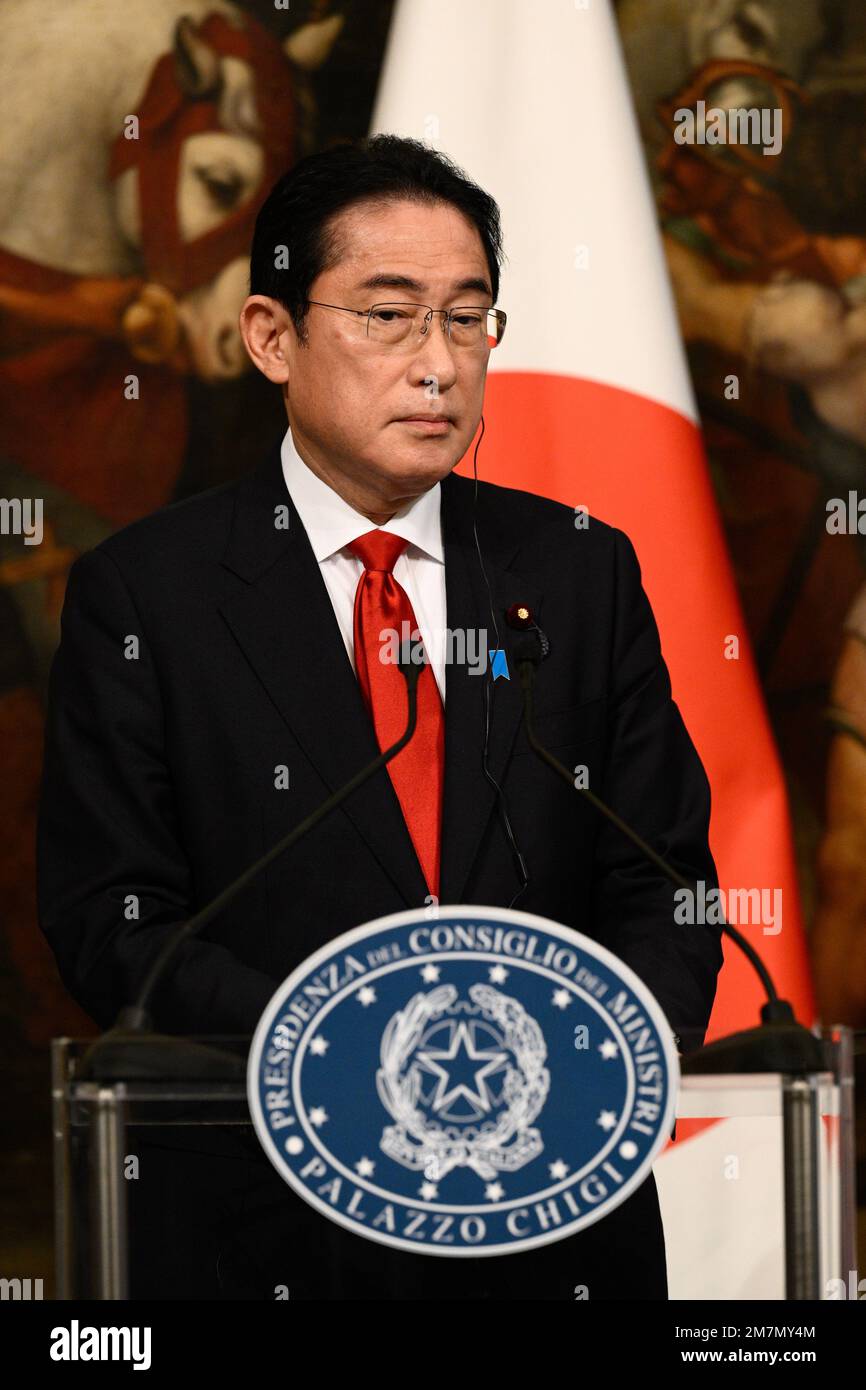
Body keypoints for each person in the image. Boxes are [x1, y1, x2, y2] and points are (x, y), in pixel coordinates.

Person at [37, 134, 722, 1300]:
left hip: (545, 1210)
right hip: (263, 1219)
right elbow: (113, 918)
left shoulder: (575, 570)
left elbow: (667, 887)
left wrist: (569, 1069)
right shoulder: (147, 593)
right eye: (388, 316)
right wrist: (346, 1045)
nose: (438, 364)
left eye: (466, 319)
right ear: (271, 337)